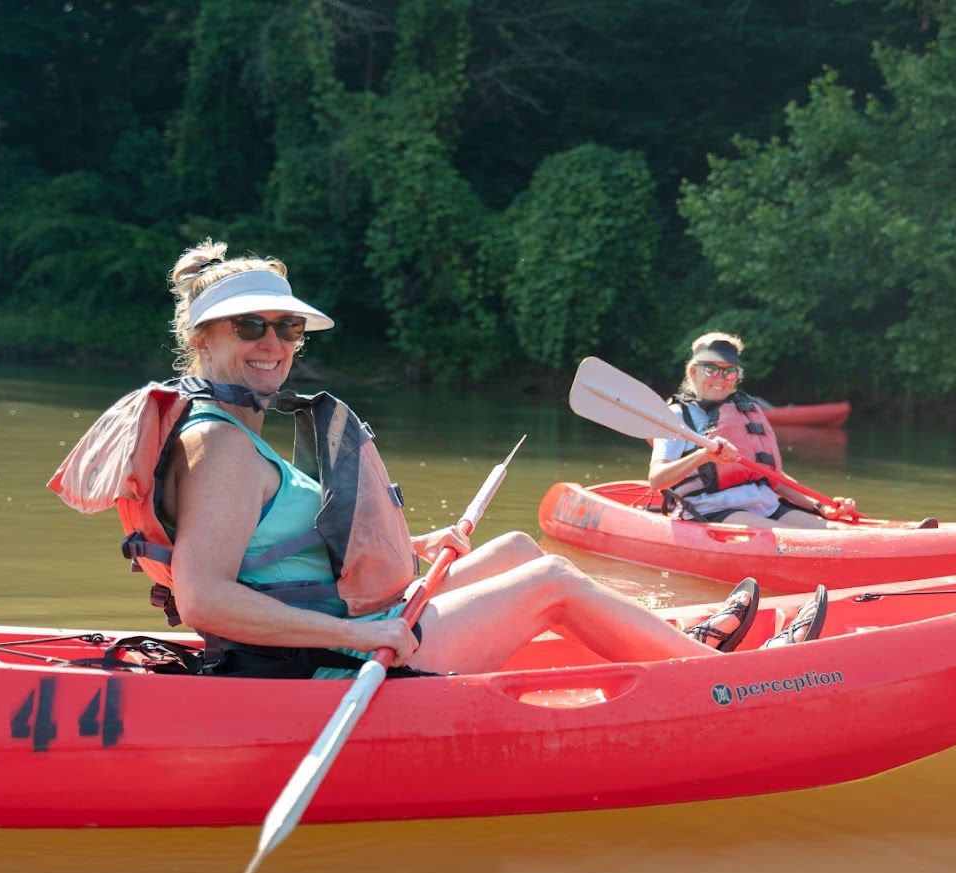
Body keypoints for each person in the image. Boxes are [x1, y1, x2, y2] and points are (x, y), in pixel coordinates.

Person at [55, 242, 824, 679]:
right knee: (551, 579)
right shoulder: (219, 441)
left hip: (344, 630)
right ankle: (728, 681)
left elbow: (275, 552)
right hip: (330, 663)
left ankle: (674, 644)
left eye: (288, 330)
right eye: (251, 326)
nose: (274, 344)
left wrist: (413, 550)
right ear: (204, 341)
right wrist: (364, 637)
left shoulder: (224, 424)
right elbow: (205, 601)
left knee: (519, 548)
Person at [648, 332, 858, 529]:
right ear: (694, 372)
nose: (720, 378)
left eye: (730, 371)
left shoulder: (745, 410)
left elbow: (773, 477)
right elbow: (657, 479)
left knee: (839, 531)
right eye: (711, 368)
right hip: (713, 511)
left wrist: (819, 506)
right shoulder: (677, 416)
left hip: (765, 506)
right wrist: (703, 456)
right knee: (798, 541)